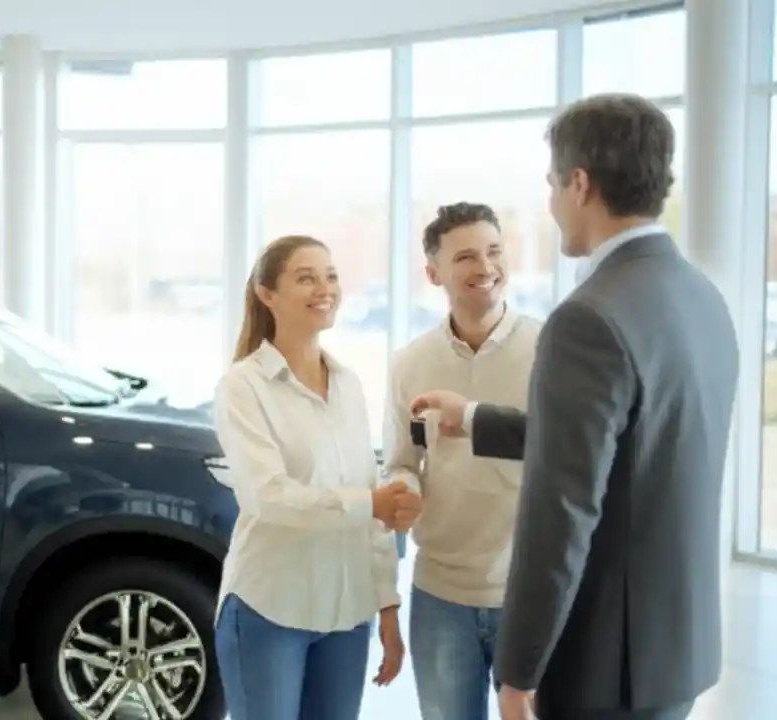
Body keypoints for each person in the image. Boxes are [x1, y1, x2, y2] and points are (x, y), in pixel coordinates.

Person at [410, 94, 740, 720]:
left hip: (605, 663)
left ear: (580, 184)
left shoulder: (587, 318)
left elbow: (561, 514)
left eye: (552, 184)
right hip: (678, 649)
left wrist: (518, 669)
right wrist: (474, 418)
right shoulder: (702, 295)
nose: (552, 203)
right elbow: (626, 443)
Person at [211, 234, 421, 720]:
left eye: (330, 276)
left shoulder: (348, 384)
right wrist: (371, 503)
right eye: (305, 278)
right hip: (269, 607)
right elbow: (268, 497)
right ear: (267, 293)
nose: (324, 289)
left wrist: (387, 607)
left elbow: (373, 503)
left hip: (347, 613)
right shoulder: (242, 387)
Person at [382, 202, 540, 720]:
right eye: (466, 256)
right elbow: (402, 462)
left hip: (531, 592)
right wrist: (404, 489)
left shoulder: (549, 351)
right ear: (434, 274)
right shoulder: (410, 363)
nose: (485, 266)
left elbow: (573, 454)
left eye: (494, 251)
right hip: (441, 595)